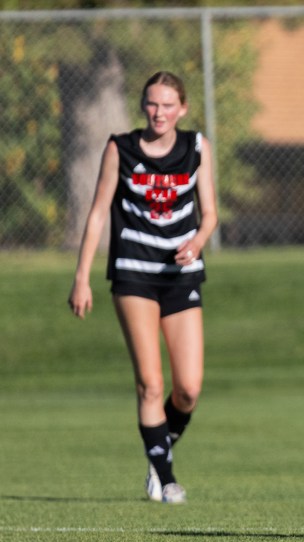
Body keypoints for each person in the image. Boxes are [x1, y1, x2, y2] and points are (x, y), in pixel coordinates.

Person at [68, 71, 218, 504]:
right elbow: (98, 213)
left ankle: (160, 447)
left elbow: (209, 213)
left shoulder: (196, 148)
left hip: (181, 277)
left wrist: (198, 242)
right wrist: (82, 278)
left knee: (188, 389)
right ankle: (165, 477)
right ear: (142, 105)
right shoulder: (121, 147)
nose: (159, 112)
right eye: (152, 103)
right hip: (133, 274)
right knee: (151, 384)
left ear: (183, 109)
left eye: (169, 105)